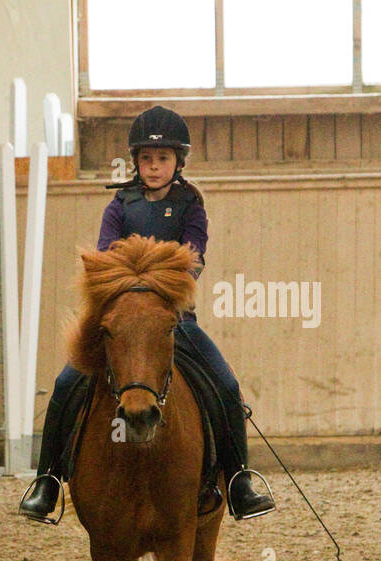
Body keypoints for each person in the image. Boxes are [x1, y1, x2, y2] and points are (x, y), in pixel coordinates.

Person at [19, 105, 275, 522]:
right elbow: (105, 258)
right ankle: (46, 479)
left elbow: (193, 260)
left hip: (174, 320)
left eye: (163, 159)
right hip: (122, 319)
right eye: (147, 159)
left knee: (226, 385)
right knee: (66, 383)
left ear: (178, 162)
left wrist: (154, 282)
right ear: (136, 162)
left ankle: (239, 480)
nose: (154, 167)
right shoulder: (120, 205)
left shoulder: (191, 203)